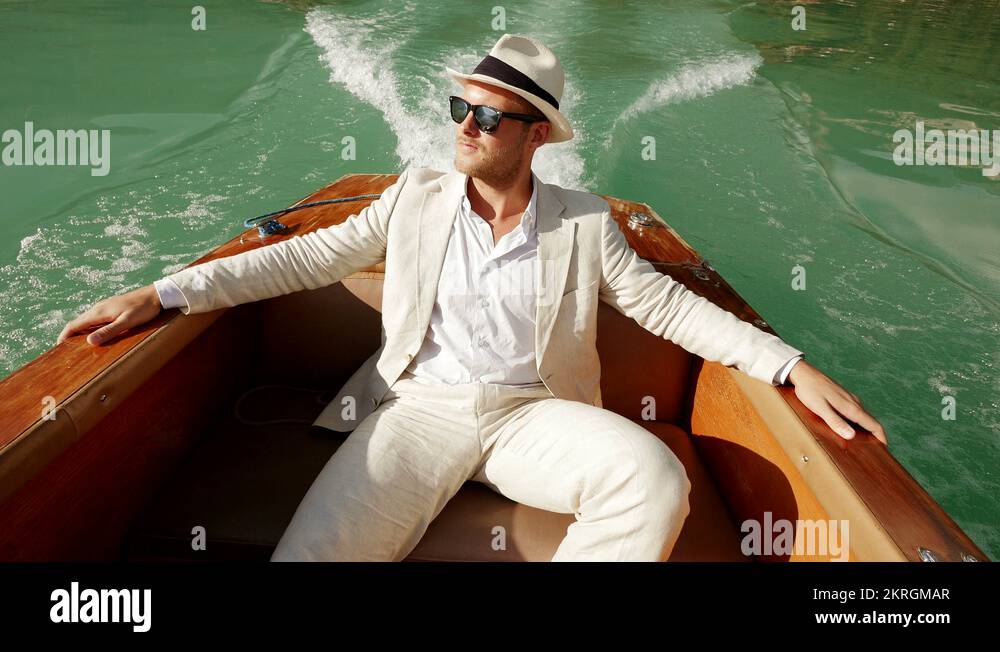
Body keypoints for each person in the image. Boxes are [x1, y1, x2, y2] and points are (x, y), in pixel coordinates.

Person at [57, 34, 886, 561]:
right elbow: (300, 260)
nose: (466, 127)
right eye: (461, 109)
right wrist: (163, 291)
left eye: (490, 118)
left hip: (536, 415)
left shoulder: (586, 221)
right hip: (419, 411)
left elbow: (667, 308)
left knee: (655, 476)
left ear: (534, 137)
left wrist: (789, 366)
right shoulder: (410, 199)